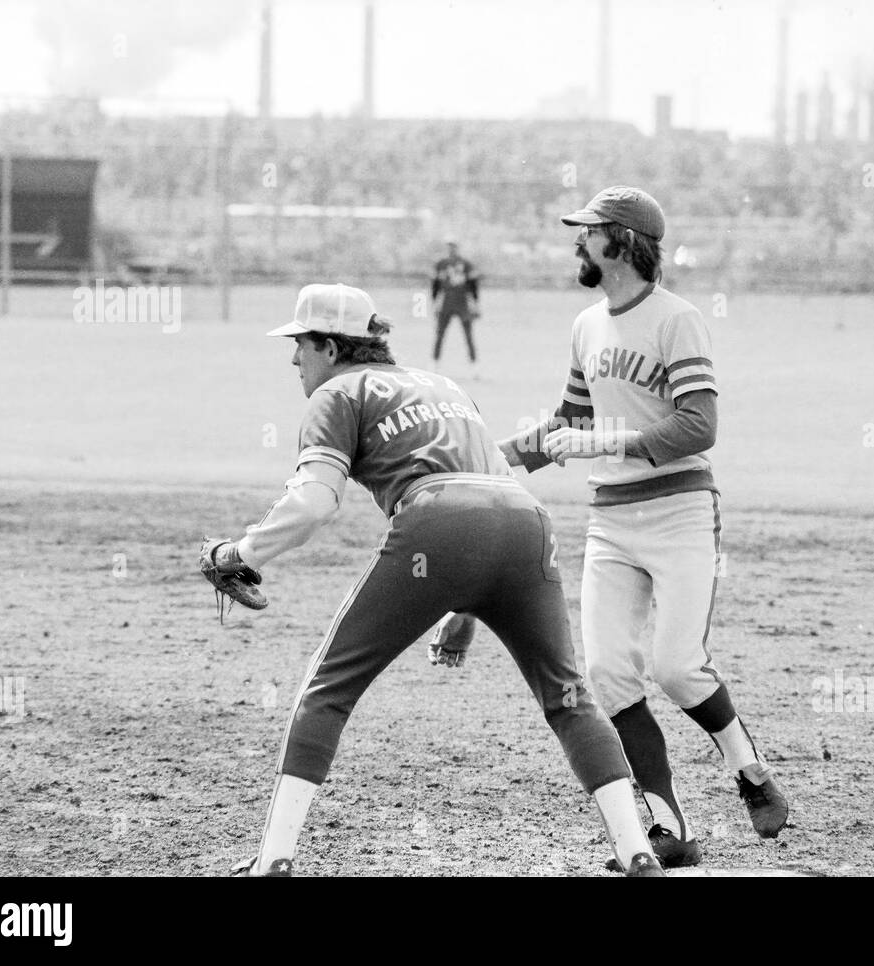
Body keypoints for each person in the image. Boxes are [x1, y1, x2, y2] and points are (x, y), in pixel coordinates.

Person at [205, 282, 662, 877]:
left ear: (333, 347)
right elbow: (492, 490)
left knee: (327, 688)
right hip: (527, 525)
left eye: (302, 344)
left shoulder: (337, 393)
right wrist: (466, 609)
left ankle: (274, 858)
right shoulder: (441, 385)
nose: (295, 359)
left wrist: (240, 552)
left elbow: (316, 502)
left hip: (436, 522)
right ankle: (638, 852)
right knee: (570, 698)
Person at [493, 186, 789, 869]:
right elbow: (569, 423)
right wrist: (494, 455)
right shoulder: (586, 324)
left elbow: (698, 426)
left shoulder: (677, 319)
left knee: (677, 666)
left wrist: (606, 444)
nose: (577, 244)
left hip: (679, 512)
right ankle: (668, 828)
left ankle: (751, 772)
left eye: (588, 233)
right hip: (611, 521)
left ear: (622, 243)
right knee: (609, 672)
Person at [430, 242, 480, 378]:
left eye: (453, 246)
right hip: (446, 302)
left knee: (468, 336)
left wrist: (475, 303)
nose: (451, 249)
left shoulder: (465, 264)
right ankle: (434, 366)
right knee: (440, 335)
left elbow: (473, 285)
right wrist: (434, 302)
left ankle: (474, 368)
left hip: (462, 302)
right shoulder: (441, 263)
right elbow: (435, 285)